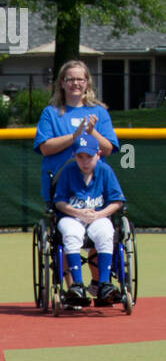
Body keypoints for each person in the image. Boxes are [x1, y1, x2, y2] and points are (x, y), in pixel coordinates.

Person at [51, 133, 125, 306]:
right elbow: (59, 202)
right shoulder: (68, 171)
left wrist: (99, 214)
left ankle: (104, 284)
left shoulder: (105, 171)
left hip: (98, 215)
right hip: (72, 216)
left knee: (106, 232)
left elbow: (117, 201)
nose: (85, 161)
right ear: (74, 156)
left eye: (89, 157)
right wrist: (77, 212)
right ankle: (76, 285)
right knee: (72, 233)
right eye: (80, 157)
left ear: (98, 154)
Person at [33, 60, 119, 204]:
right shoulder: (50, 113)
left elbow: (108, 150)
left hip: (93, 186)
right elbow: (45, 148)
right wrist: (74, 136)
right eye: (70, 79)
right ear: (62, 83)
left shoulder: (99, 112)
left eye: (80, 79)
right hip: (61, 183)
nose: (75, 83)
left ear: (87, 83)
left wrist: (92, 132)